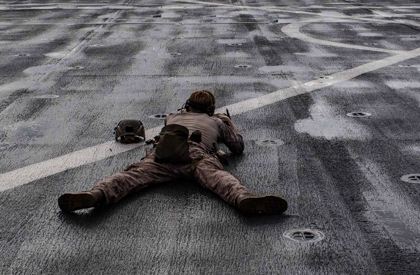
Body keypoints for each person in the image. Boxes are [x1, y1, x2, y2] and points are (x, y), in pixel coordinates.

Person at [58, 90, 287, 215]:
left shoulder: (173, 116)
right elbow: (238, 147)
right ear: (210, 109)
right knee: (221, 180)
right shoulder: (217, 122)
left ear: (187, 105)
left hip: (165, 152)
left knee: (129, 177)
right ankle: (243, 198)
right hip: (196, 156)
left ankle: (96, 194)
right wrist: (229, 124)